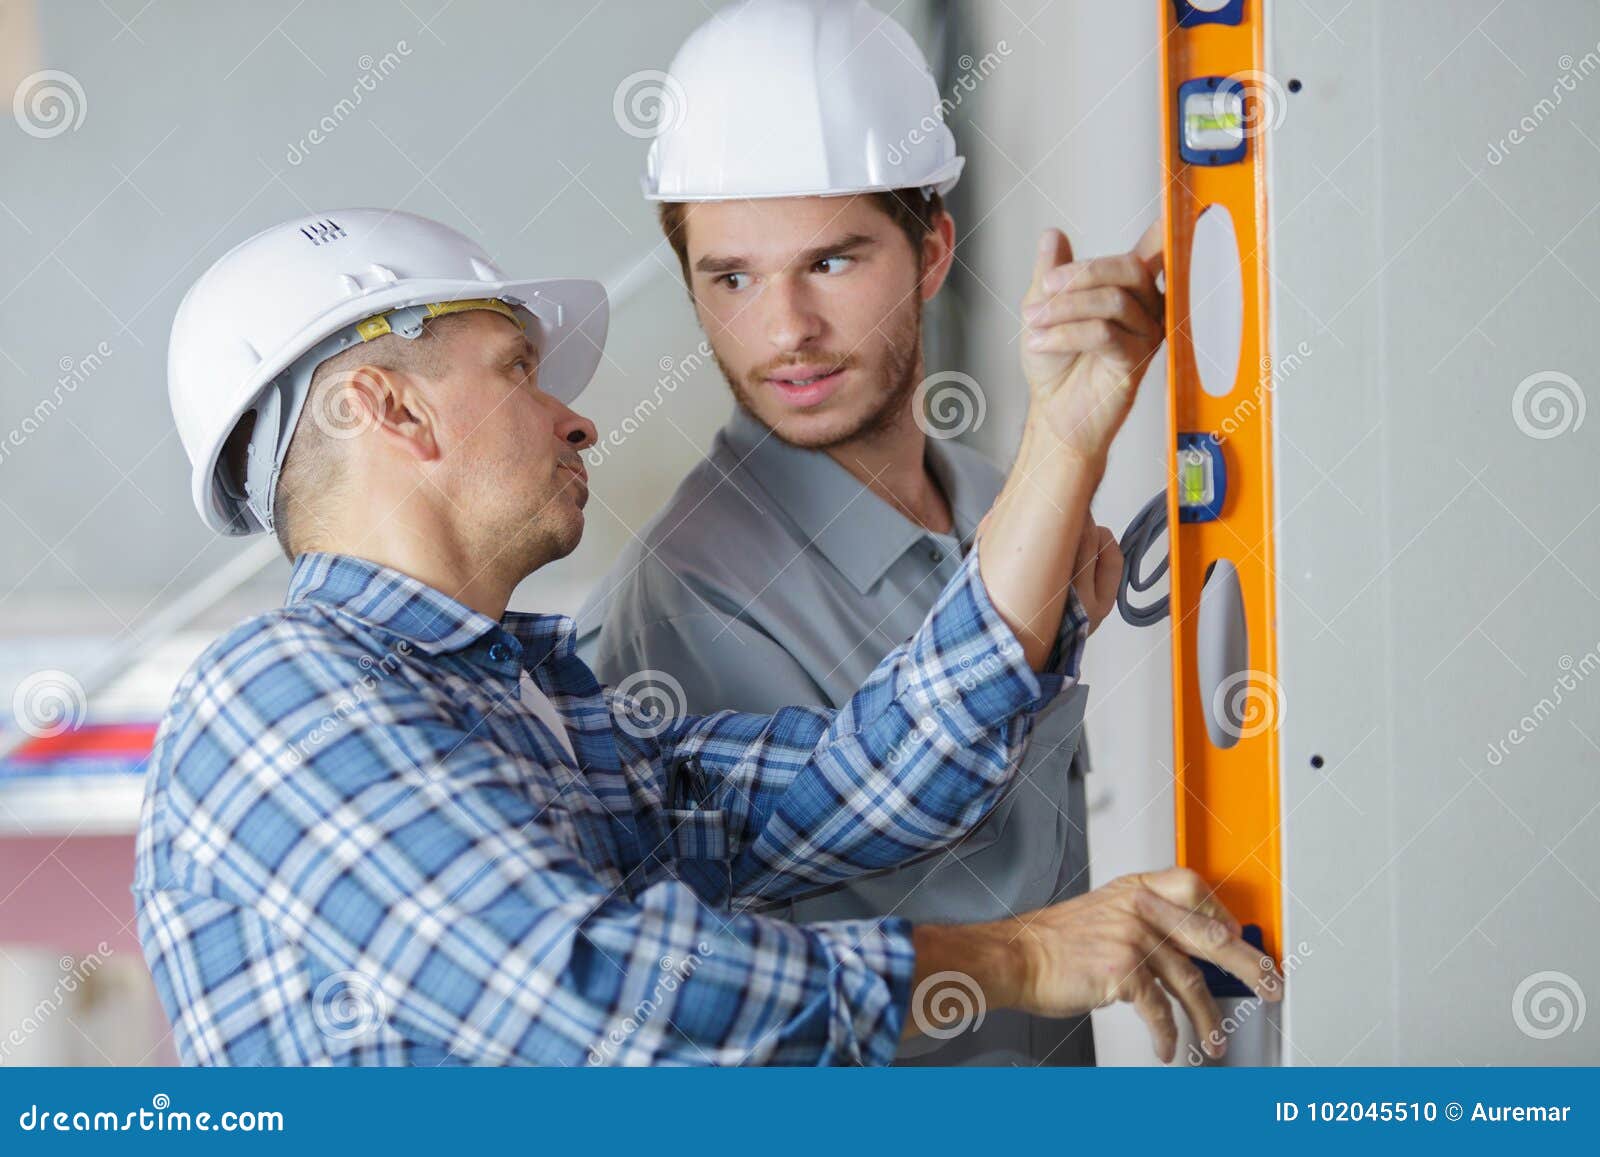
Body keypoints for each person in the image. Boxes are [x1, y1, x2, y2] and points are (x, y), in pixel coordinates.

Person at [134, 206, 1275, 1066]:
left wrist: (1068, 430)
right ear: (388, 407)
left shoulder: (538, 708)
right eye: (519, 369)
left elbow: (861, 780)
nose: (574, 415)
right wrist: (1020, 957)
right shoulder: (274, 692)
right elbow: (583, 988)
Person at [578, 0, 1142, 1064]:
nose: (786, 328)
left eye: (831, 262)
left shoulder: (994, 502)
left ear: (931, 250)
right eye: (732, 277)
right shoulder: (675, 607)